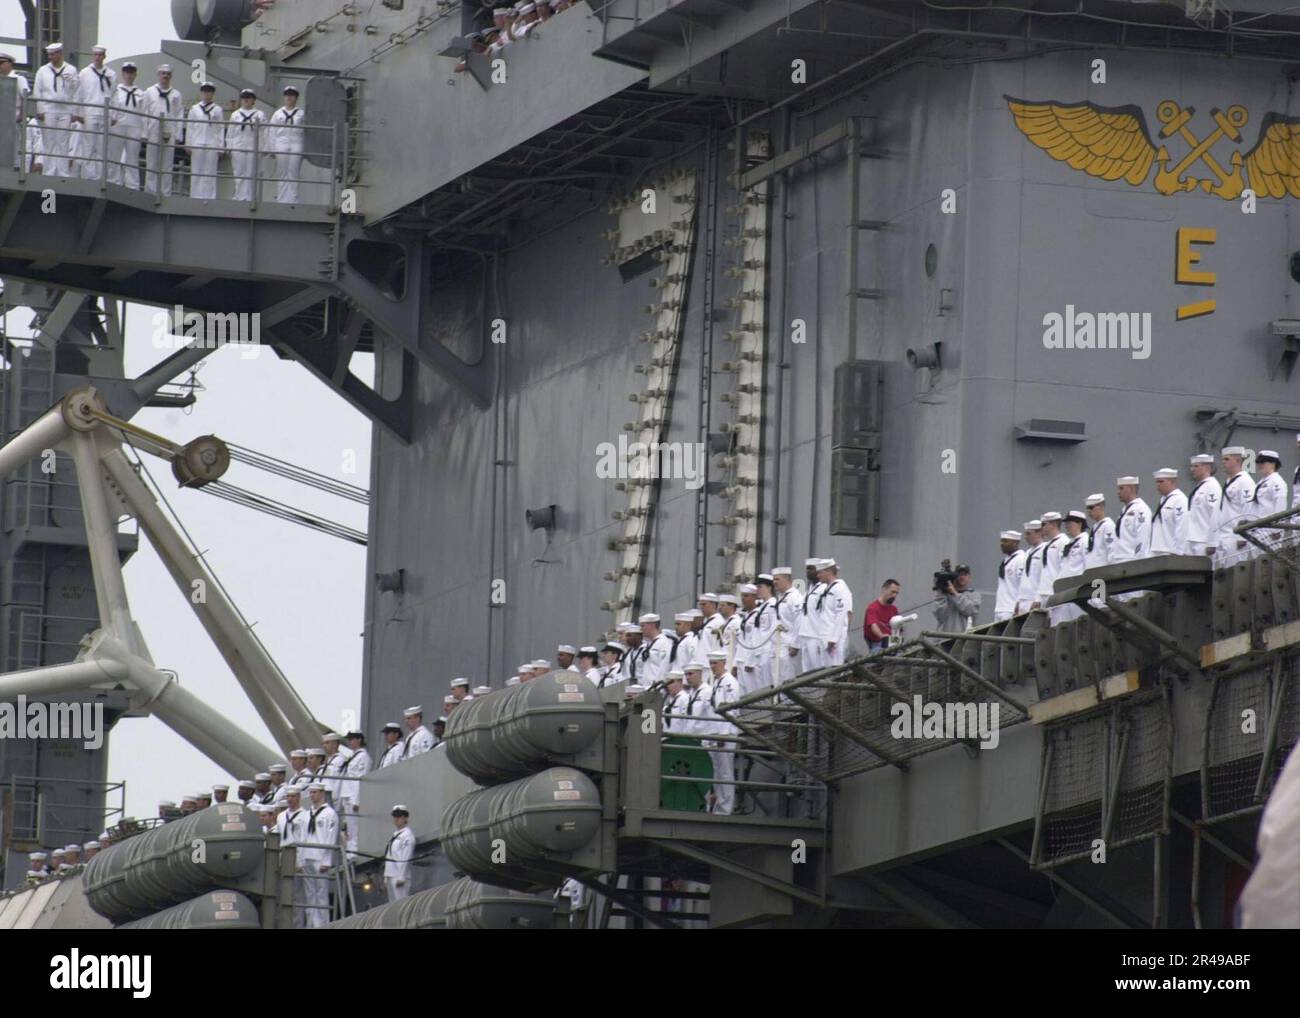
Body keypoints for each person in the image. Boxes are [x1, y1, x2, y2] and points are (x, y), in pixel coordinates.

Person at [33, 42, 78, 177]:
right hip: (49, 109)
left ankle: (63, 173)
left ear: (60, 54)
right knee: (49, 141)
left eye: (53, 54)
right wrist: (40, 109)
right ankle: (49, 172)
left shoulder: (71, 70)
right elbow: (38, 90)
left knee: (63, 142)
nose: (50, 57)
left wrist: (74, 111)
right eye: (49, 55)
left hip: (65, 109)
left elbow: (76, 91)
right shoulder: (43, 71)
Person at [704, 652, 741, 814]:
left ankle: (725, 809)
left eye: (716, 663)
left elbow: (731, 709)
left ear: (724, 663)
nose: (713, 666)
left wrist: (723, 734)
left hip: (725, 733)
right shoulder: (717, 682)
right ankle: (718, 806)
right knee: (717, 774)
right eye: (711, 663)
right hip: (715, 732)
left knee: (725, 774)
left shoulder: (729, 683)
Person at [300, 783, 338, 927]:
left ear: (322, 793)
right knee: (310, 894)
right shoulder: (307, 814)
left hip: (320, 857)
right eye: (310, 793)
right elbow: (303, 836)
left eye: (315, 792)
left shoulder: (329, 813)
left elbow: (331, 836)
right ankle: (312, 923)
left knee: (321, 893)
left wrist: (327, 860)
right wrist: (301, 858)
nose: (312, 795)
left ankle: (323, 923)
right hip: (308, 855)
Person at [142, 64, 182, 195]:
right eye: (163, 73)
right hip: (153, 128)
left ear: (171, 76)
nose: (165, 76)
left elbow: (179, 115)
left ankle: (165, 193)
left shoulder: (176, 94)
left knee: (167, 165)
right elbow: (144, 112)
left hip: (169, 130)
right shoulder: (149, 91)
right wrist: (144, 133)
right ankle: (150, 192)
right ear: (158, 75)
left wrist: (178, 136)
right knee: (152, 162)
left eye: (168, 74)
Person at [75, 45, 114, 180]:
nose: (98, 57)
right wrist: (79, 113)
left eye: (100, 55)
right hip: (89, 111)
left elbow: (113, 95)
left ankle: (100, 176)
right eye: (95, 55)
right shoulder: (85, 73)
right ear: (93, 56)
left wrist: (113, 115)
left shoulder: (110, 74)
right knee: (89, 145)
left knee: (102, 146)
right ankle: (89, 176)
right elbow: (79, 94)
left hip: (104, 112)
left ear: (104, 57)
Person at [1216, 446, 1256, 564]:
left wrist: (1243, 536)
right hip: (1225, 536)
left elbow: (1248, 509)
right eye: (1223, 459)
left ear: (1238, 461)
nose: (1223, 462)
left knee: (1235, 574)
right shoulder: (1229, 481)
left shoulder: (1245, 482)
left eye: (1227, 459)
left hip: (1236, 537)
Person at [109, 62, 145, 187]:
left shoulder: (140, 93)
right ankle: (113, 182)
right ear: (122, 74)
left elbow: (144, 113)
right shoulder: (117, 91)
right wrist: (112, 120)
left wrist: (143, 131)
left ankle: (132, 185)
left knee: (132, 158)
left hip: (134, 126)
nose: (129, 75)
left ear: (135, 74)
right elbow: (112, 106)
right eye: (126, 72)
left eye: (131, 72)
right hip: (119, 125)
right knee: (115, 155)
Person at [276, 786, 308, 927]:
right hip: (283, 856)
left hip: (297, 857)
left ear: (299, 797)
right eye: (288, 796)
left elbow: (305, 840)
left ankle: (298, 925)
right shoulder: (281, 816)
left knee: (298, 896)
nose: (290, 799)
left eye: (293, 796)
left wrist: (300, 862)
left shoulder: (305, 816)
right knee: (285, 895)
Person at [1050, 511, 1089, 625]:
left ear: (1079, 524)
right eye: (1066, 523)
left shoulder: (1084, 541)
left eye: (1070, 523)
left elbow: (1087, 565)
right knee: (1065, 625)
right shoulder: (1070, 543)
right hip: (1066, 592)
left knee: (1078, 624)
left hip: (1077, 590)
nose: (1067, 526)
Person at [1246, 450, 1288, 556]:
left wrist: (1277, 529)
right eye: (1258, 463)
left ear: (1273, 463)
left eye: (1263, 463)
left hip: (1269, 532)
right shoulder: (1262, 482)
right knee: (1257, 563)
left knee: (1269, 564)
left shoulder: (1277, 482)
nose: (1259, 465)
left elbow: (1280, 505)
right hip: (1258, 530)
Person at [186, 82, 223, 198]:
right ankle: (195, 196)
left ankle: (209, 197)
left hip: (212, 143)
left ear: (213, 93)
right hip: (197, 141)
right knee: (197, 171)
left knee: (210, 172)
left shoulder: (217, 109)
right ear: (201, 92)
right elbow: (190, 127)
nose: (207, 93)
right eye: (204, 91)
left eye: (209, 91)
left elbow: (220, 128)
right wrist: (188, 144)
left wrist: (220, 146)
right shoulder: (195, 109)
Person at [227, 88, 265, 201]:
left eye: (248, 97)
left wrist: (263, 148)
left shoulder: (260, 114)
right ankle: (239, 196)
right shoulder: (235, 115)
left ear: (253, 100)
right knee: (239, 172)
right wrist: (229, 147)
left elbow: (264, 132)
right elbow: (230, 132)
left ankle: (250, 197)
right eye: (244, 97)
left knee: (251, 172)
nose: (246, 100)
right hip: (238, 145)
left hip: (253, 146)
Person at [269, 85, 304, 203]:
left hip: (296, 142)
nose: (289, 97)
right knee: (282, 172)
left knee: (294, 172)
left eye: (292, 95)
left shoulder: (302, 113)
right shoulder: (278, 113)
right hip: (281, 142)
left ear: (296, 98)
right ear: (284, 97)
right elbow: (272, 131)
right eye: (287, 95)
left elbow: (306, 131)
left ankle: (294, 198)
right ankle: (282, 198)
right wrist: (272, 149)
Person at [769, 567, 804, 682]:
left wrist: (795, 644)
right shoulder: (780, 597)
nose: (775, 582)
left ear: (787, 579)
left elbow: (799, 621)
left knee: (787, 681)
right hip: (777, 645)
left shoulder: (795, 597)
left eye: (777, 579)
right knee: (776, 681)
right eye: (774, 580)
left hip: (788, 645)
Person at [1185, 453, 1223, 557]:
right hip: (1193, 538)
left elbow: (1215, 514)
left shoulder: (1212, 487)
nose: (1192, 469)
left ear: (1207, 467)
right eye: (1192, 466)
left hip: (1203, 541)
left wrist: (1212, 542)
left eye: (1196, 466)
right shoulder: (1200, 487)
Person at [1149, 467, 1189, 555]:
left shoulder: (1180, 499)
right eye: (1157, 482)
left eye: (1161, 481)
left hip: (1170, 551)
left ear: (1172, 482)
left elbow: (1182, 526)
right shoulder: (1163, 499)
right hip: (1157, 549)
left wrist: (1177, 551)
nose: (1158, 485)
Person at [933, 564, 980, 633]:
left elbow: (970, 611)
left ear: (969, 578)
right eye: (959, 574)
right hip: (943, 638)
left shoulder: (973, 594)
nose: (962, 577)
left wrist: (954, 593)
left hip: (963, 639)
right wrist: (940, 591)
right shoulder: (945, 593)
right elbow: (940, 616)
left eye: (965, 574)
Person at [1034, 512, 1065, 612]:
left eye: (1044, 524)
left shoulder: (1063, 542)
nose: (1041, 528)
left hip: (1054, 592)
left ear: (1054, 524)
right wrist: (1038, 597)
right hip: (1044, 592)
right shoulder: (1046, 545)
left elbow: (1063, 569)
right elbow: (1043, 571)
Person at [385, 805, 415, 902]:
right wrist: (386, 876)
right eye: (395, 816)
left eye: (400, 816)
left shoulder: (407, 836)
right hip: (391, 875)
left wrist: (401, 877)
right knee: (392, 905)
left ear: (405, 818)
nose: (396, 819)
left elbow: (406, 857)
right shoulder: (396, 834)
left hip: (399, 876)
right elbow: (390, 855)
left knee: (401, 905)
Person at [994, 532, 1024, 623]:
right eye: (1001, 541)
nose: (1002, 544)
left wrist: (1019, 604)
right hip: (1000, 607)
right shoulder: (1006, 559)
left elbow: (1022, 584)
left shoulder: (1021, 559)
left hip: (1011, 608)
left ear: (1015, 543)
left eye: (1006, 541)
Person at [1015, 521, 1044, 614]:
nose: (1026, 537)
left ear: (1039, 533)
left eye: (1029, 534)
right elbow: (1023, 578)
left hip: (1034, 598)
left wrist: (1038, 598)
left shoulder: (1045, 550)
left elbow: (1044, 576)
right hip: (1023, 598)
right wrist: (1018, 600)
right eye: (1025, 534)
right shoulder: (1027, 553)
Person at [865, 578, 902, 649]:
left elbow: (899, 627)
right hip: (878, 644)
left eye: (896, 593)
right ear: (884, 589)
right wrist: (881, 636)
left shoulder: (894, 609)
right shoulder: (873, 607)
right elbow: (873, 625)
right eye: (893, 592)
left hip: (893, 643)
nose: (894, 595)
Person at [1084, 496, 1116, 570]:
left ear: (1101, 506)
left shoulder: (1108, 525)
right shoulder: (1095, 527)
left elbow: (1112, 550)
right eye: (1087, 508)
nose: (1089, 511)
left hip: (1103, 572)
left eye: (1091, 507)